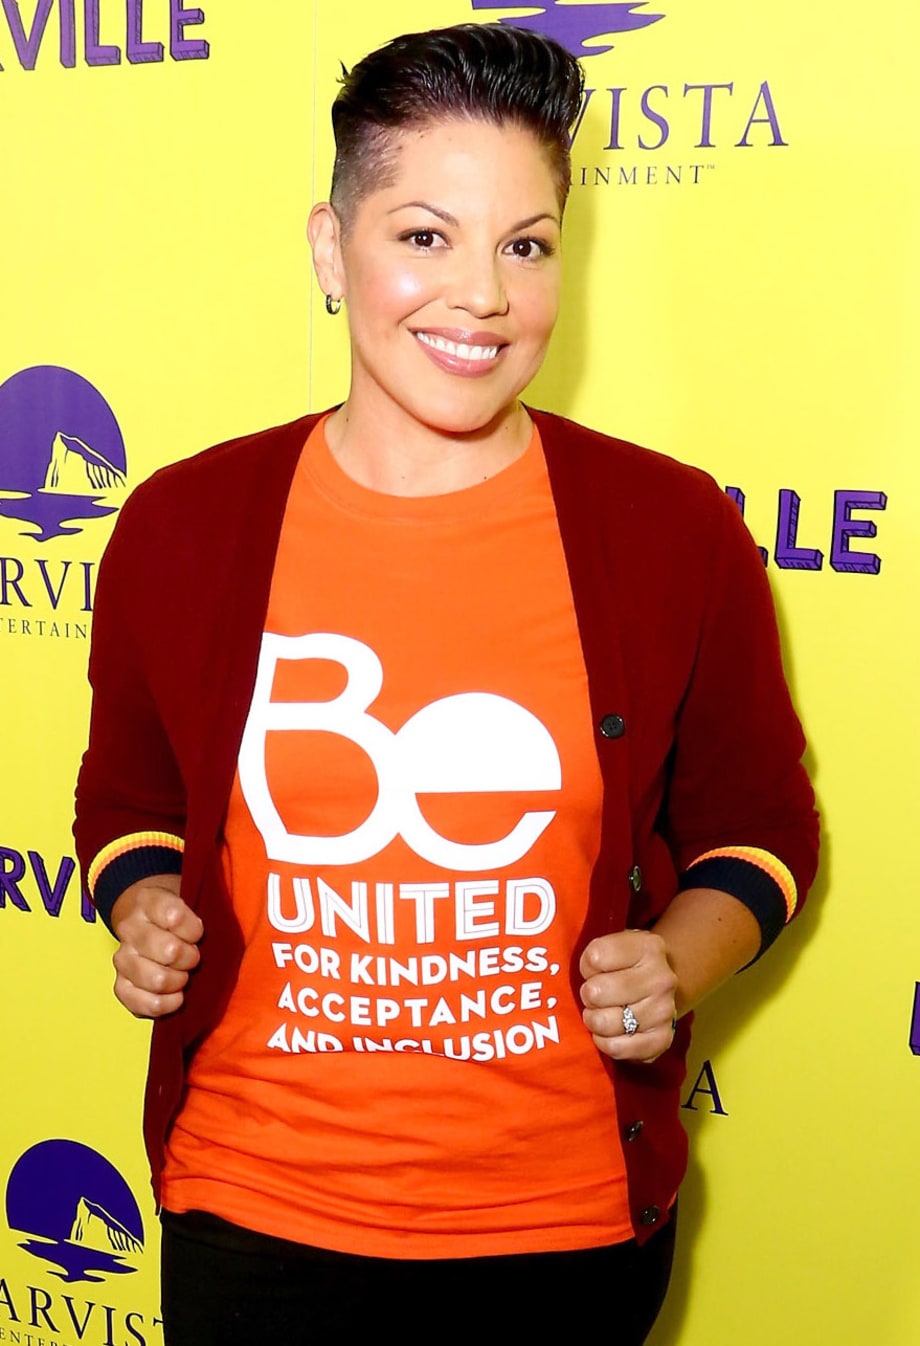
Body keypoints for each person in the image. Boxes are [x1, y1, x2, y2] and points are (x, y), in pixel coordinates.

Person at [74, 22, 818, 1344]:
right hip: (255, 1214)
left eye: (526, 246)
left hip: (564, 1232)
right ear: (330, 249)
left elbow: (760, 830)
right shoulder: (183, 526)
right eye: (425, 235)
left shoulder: (670, 531)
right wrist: (142, 904)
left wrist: (674, 960)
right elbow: (128, 802)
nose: (483, 296)